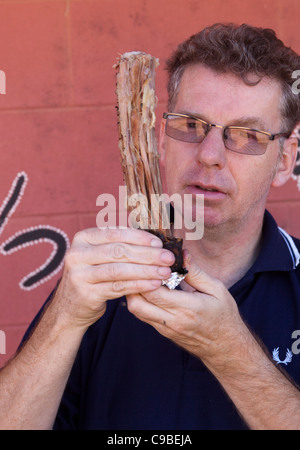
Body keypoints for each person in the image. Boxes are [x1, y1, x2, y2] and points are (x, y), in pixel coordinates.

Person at [1, 22, 300, 430]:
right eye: (191, 127)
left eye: (246, 134)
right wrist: (64, 318)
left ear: (285, 159)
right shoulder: (99, 284)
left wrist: (231, 353)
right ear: (161, 139)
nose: (210, 155)